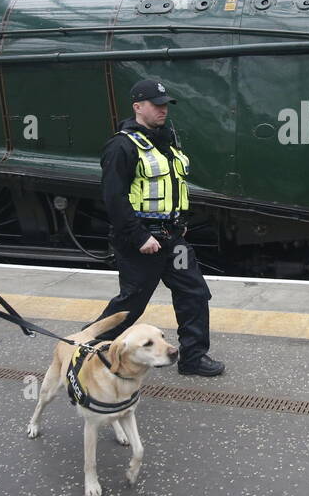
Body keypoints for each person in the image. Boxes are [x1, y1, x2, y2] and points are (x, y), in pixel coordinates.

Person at [95, 79, 223, 376]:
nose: (163, 110)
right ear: (138, 107)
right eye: (156, 105)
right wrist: (140, 236)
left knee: (194, 293)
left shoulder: (165, 142)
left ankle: (193, 358)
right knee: (132, 302)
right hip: (141, 240)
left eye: (165, 104)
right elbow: (113, 198)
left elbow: (174, 188)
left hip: (173, 239)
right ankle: (89, 349)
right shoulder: (121, 146)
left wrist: (181, 224)